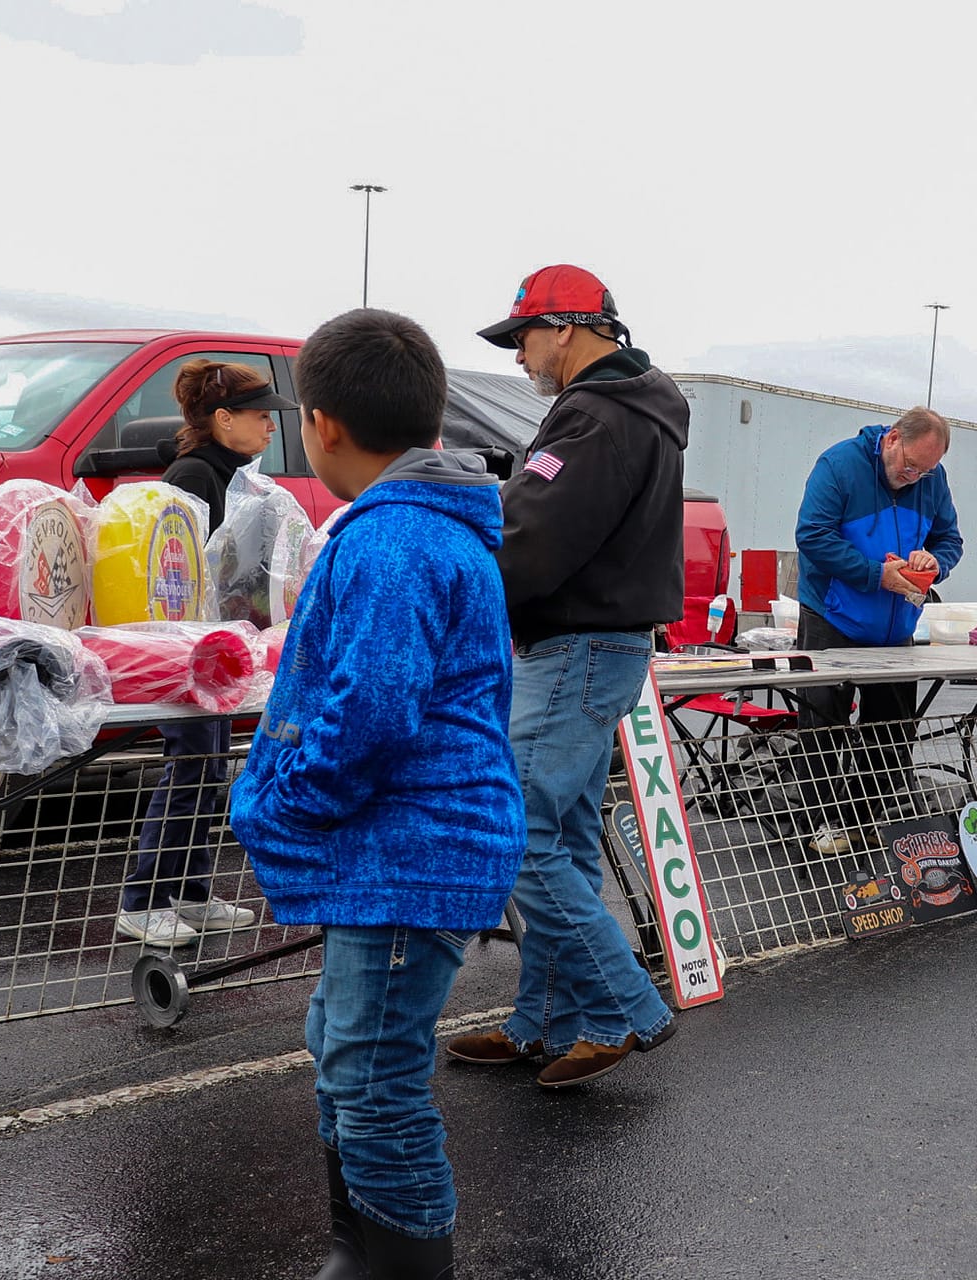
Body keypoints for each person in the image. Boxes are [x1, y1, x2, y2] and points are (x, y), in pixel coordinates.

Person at [228, 309, 524, 1279]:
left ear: (321, 425)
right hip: (408, 847)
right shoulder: (424, 528)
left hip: (408, 851)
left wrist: (288, 801)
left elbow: (373, 710)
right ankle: (356, 1249)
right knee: (343, 1047)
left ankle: (398, 1265)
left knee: (373, 1078)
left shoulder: (392, 538)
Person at [445, 264, 685, 1089]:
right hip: (599, 647)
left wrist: (455, 594)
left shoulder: (593, 415)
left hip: (575, 648)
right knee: (563, 840)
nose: (518, 356)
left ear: (568, 329)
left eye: (523, 338)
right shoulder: (629, 409)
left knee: (520, 834)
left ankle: (626, 1006)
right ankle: (545, 1022)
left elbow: (534, 540)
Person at [115, 359, 294, 946]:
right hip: (189, 652)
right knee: (189, 765)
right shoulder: (194, 476)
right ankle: (142, 901)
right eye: (260, 415)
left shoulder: (233, 477)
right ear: (223, 419)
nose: (271, 427)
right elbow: (187, 577)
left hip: (217, 652)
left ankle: (189, 893)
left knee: (210, 767)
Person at [791, 407, 964, 858]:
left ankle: (865, 819)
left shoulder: (932, 479)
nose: (914, 477)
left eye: (925, 471)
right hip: (832, 618)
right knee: (823, 725)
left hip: (896, 627)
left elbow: (950, 540)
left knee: (891, 730)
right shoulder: (838, 465)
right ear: (891, 439)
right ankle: (817, 823)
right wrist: (875, 575)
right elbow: (812, 536)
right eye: (910, 466)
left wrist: (935, 562)